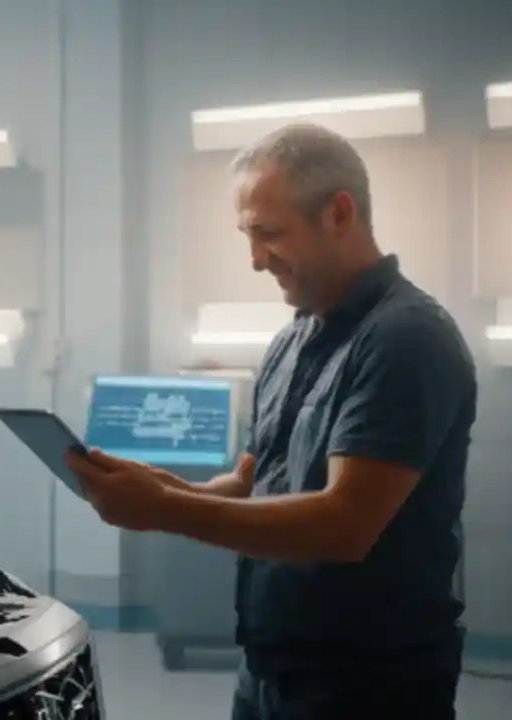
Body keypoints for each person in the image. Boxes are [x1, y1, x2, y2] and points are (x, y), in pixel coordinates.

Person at [65, 123, 476, 719]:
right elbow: (247, 484)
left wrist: (164, 509)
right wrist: (153, 485)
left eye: (269, 234)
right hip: (268, 672)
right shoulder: (291, 340)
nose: (256, 261)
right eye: (247, 236)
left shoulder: (406, 338)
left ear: (339, 213)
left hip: (369, 688)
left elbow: (345, 523)